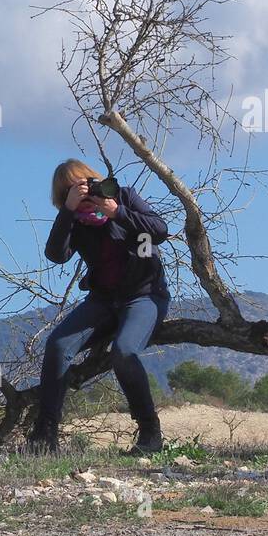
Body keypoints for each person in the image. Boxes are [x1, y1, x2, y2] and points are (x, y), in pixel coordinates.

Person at [27, 160, 171, 454]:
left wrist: (118, 213)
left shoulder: (125, 198)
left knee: (125, 351)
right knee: (57, 344)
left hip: (144, 295)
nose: (87, 192)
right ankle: (45, 435)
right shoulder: (75, 221)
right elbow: (56, 255)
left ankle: (149, 434)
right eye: (75, 189)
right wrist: (68, 212)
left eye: (89, 182)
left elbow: (159, 230)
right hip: (103, 300)